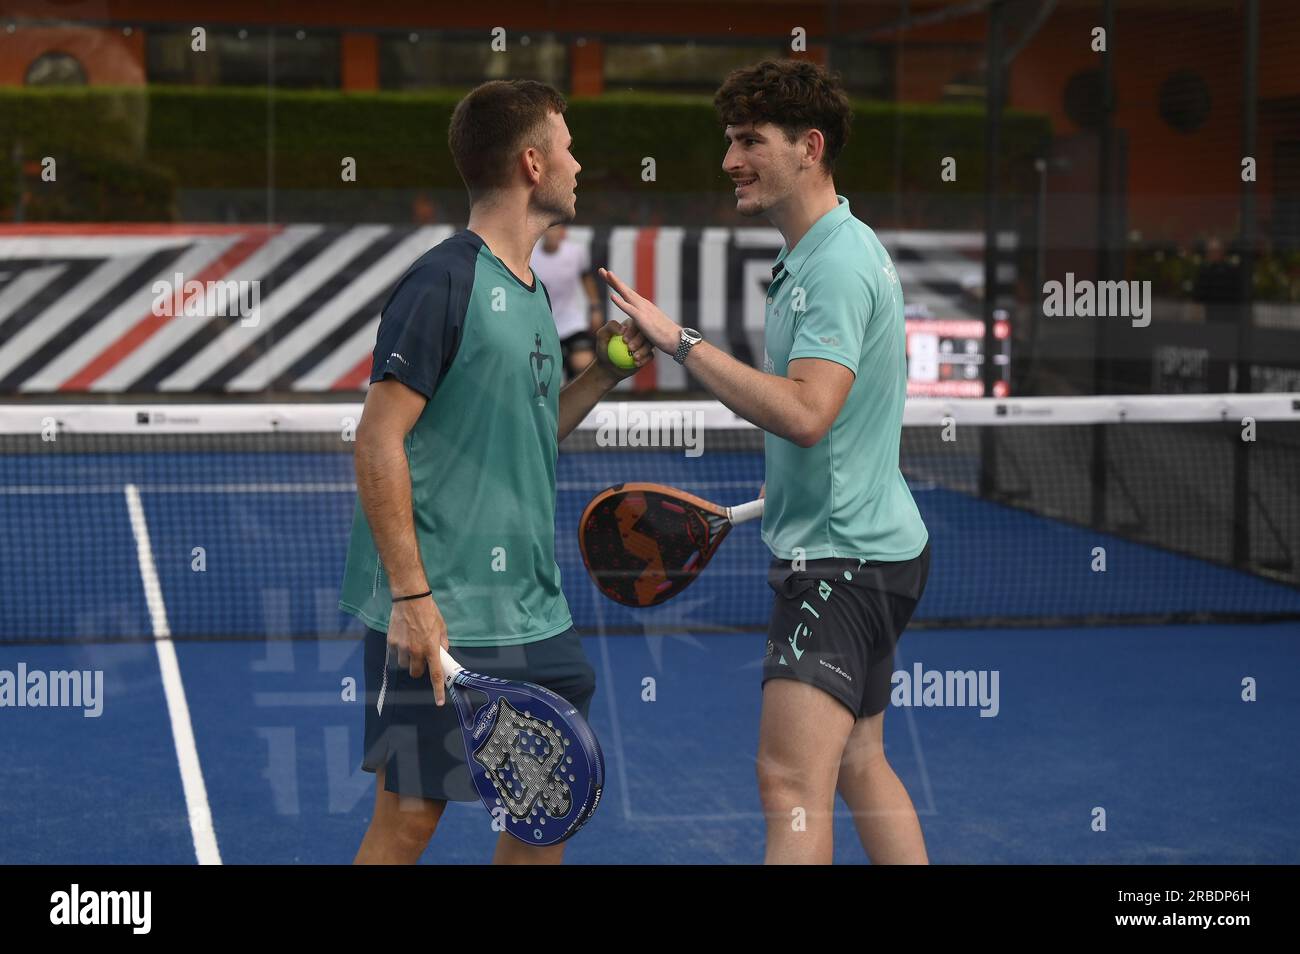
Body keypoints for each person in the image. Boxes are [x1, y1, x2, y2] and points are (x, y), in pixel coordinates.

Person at [598, 59, 931, 864]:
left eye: (750, 141)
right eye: (729, 141)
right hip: (875, 549)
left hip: (840, 564)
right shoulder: (824, 253)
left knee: (788, 784)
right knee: (858, 761)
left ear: (809, 147)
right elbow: (831, 423)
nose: (730, 161)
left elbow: (808, 414)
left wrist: (681, 342)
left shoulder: (835, 266)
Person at [340, 79, 652, 865]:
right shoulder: (443, 280)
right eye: (569, 146)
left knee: (544, 810)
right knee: (411, 819)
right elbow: (378, 440)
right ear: (531, 163)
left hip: (534, 613)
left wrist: (605, 372)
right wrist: (413, 600)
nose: (580, 162)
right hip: (441, 615)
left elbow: (530, 431)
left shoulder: (536, 290)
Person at [531, 224, 604, 379]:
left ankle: (580, 400)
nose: (552, 234)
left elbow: (586, 278)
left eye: (556, 229)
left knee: (583, 362)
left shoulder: (575, 252)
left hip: (572, 321)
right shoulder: (531, 256)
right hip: (542, 324)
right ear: (543, 231)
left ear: (562, 232)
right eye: (549, 229)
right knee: (543, 373)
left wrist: (595, 308)